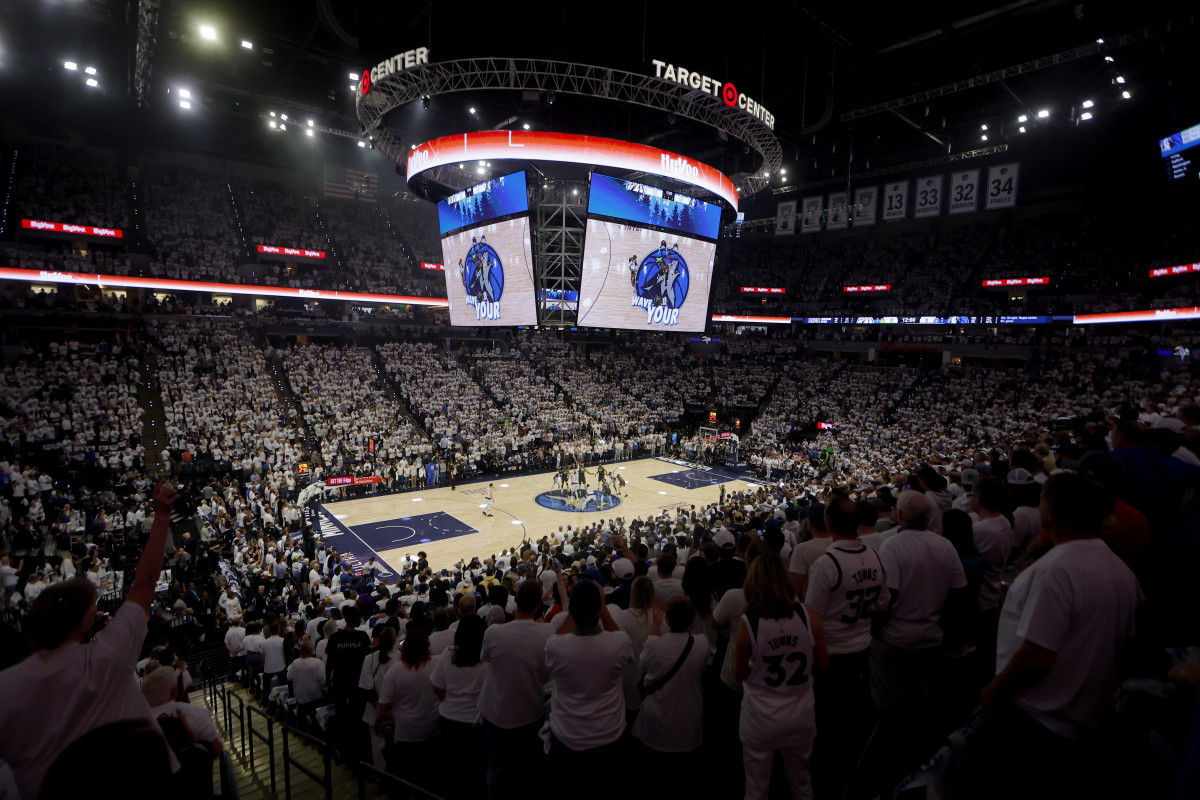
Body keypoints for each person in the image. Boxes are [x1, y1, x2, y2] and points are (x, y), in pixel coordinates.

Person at [0, 480, 180, 800]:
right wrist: (162, 514)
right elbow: (146, 580)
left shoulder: (7, 687)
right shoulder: (109, 654)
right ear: (85, 620)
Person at [975, 473, 1143, 799]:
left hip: (1038, 722)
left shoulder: (1057, 570)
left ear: (1050, 513)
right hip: (1086, 716)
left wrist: (993, 693)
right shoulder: (1120, 568)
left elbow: (1037, 657)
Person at [735, 553, 829, 800]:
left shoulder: (749, 623)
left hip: (760, 718)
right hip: (801, 714)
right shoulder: (808, 615)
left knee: (756, 789)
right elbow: (823, 664)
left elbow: (739, 674)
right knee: (802, 784)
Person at [544, 578, 633, 796]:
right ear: (599, 608)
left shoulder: (556, 646)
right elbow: (619, 636)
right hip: (610, 735)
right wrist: (602, 609)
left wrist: (573, 610)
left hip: (567, 738)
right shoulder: (619, 644)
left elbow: (556, 640)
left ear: (572, 610)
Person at [430, 615, 488, 799]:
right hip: (477, 723)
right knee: (477, 770)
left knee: (453, 767)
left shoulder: (449, 653)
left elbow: (437, 686)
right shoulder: (487, 658)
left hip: (450, 719)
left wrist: (449, 700)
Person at [375, 629, 441, 780]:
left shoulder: (395, 671)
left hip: (407, 731)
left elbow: (383, 703)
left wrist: (378, 721)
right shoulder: (437, 662)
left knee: (409, 774)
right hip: (433, 726)